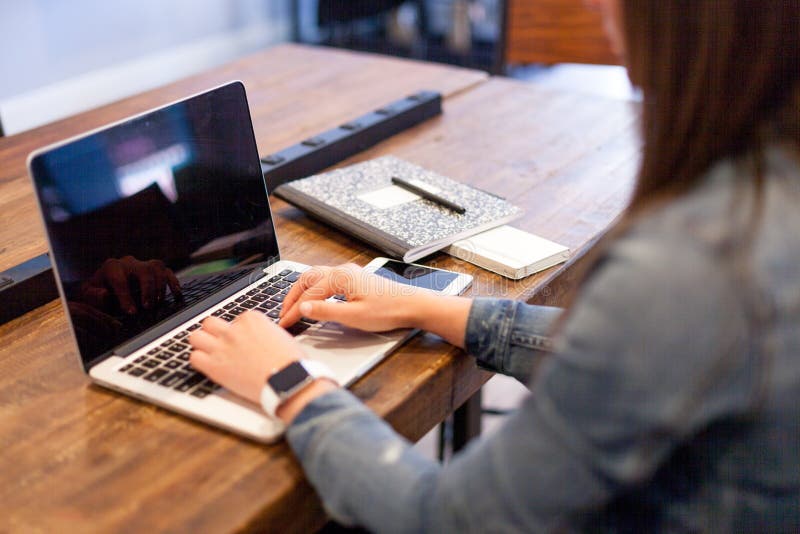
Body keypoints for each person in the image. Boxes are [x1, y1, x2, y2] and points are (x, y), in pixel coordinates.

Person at [188, 0, 800, 531]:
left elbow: (443, 517)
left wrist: (289, 382)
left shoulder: (688, 266)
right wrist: (429, 306)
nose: (592, 6)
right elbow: (655, 359)